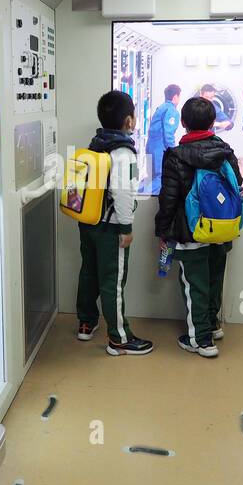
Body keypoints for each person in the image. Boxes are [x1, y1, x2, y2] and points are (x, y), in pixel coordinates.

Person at [155, 96, 242, 359]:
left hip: (189, 231)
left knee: (194, 285)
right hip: (221, 227)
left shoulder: (175, 156)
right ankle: (212, 325)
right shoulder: (225, 151)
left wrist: (163, 232)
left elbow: (168, 198)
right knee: (214, 279)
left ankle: (201, 340)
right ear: (214, 122)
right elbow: (237, 185)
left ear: (183, 123)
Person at [75, 90, 153, 355]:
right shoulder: (123, 152)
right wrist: (126, 228)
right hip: (111, 227)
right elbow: (122, 193)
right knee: (113, 281)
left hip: (89, 222)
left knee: (89, 271)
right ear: (129, 121)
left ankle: (86, 322)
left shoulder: (96, 142)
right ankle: (119, 338)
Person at [144, 83, 180, 194]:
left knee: (151, 177)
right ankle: (141, 193)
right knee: (161, 177)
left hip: (150, 146)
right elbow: (168, 133)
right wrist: (173, 151)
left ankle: (141, 193)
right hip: (159, 148)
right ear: (175, 97)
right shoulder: (172, 110)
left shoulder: (161, 108)